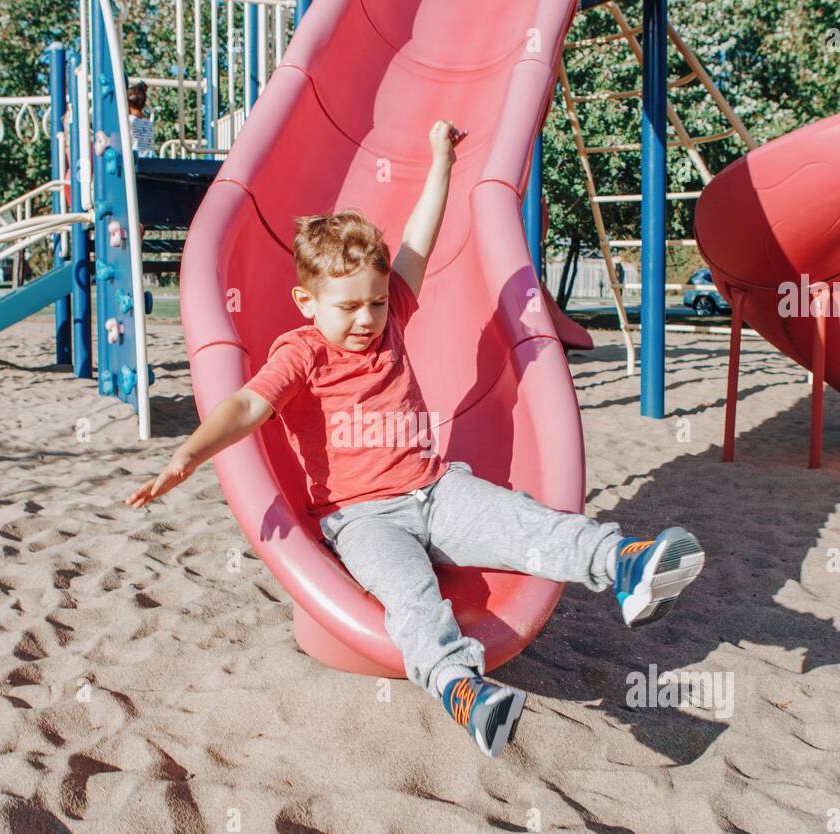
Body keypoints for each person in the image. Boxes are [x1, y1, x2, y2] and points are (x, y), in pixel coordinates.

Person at [127, 121, 705, 758]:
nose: (367, 318)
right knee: (410, 596)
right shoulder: (302, 353)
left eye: (375, 302)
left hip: (436, 489)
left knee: (527, 523)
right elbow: (245, 405)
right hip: (361, 520)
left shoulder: (391, 315)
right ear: (307, 302)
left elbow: (419, 240)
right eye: (347, 307)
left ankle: (625, 565)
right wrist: (188, 453)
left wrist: (441, 161)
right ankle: (462, 688)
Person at [127, 82, 155, 158]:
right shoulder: (148, 122)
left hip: (134, 160)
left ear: (128, 103)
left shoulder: (129, 121)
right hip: (149, 160)